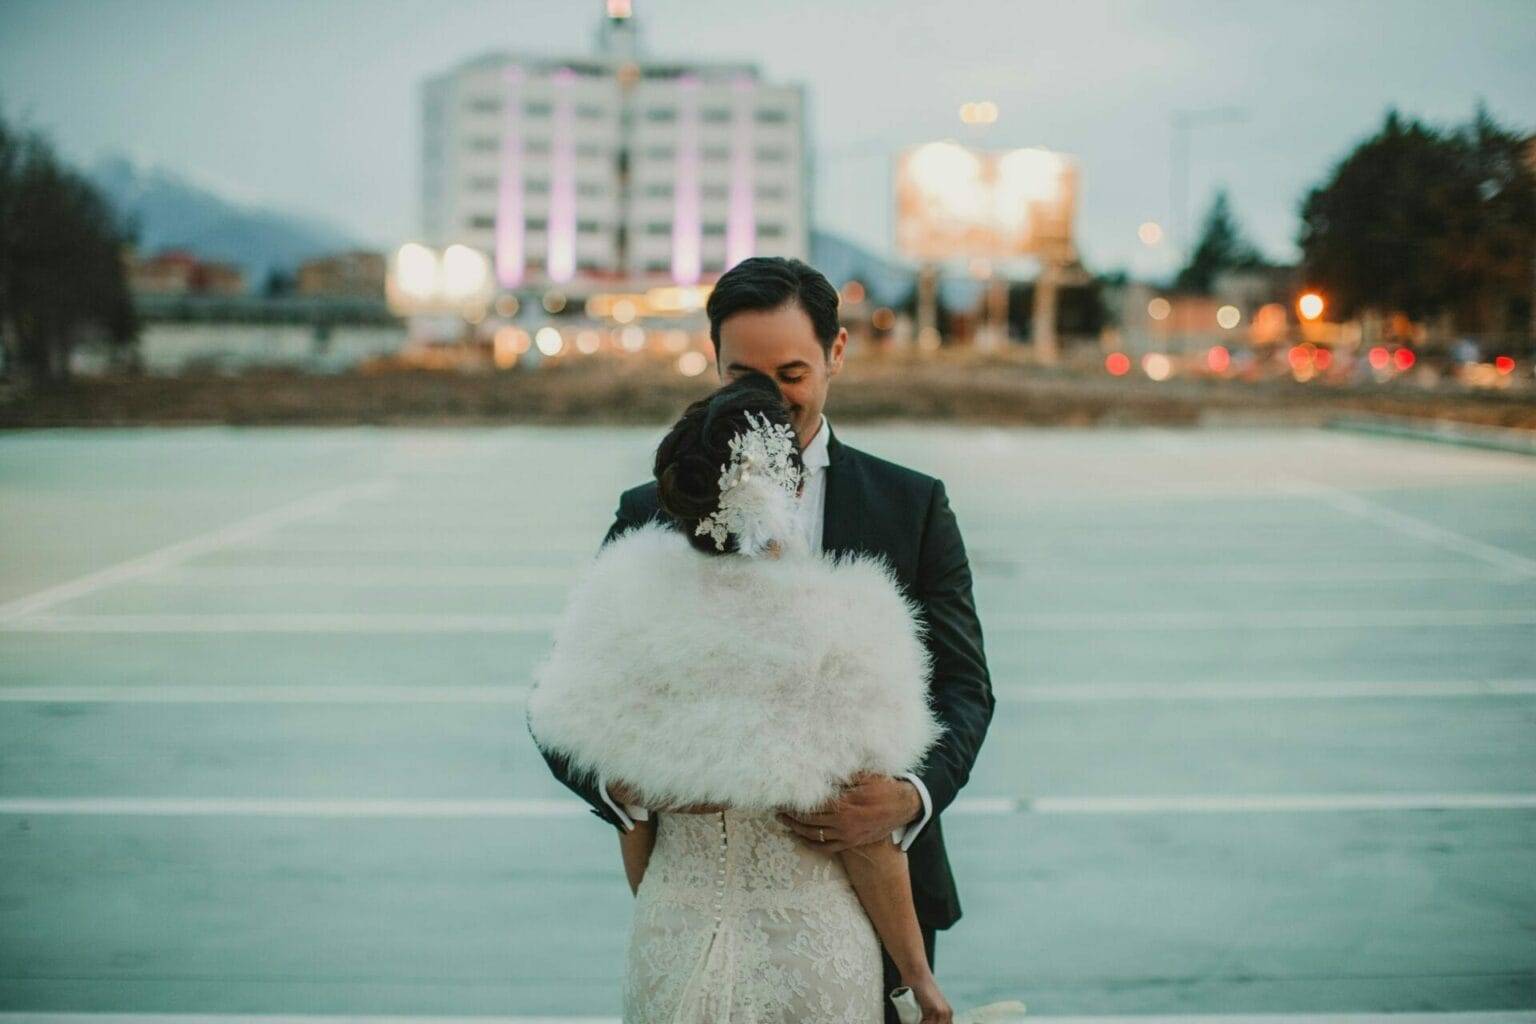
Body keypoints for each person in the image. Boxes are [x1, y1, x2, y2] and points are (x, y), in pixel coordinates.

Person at [532, 256, 996, 1023]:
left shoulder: (909, 505)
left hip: (873, 890)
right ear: (712, 362)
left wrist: (907, 798)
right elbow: (564, 701)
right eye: (743, 375)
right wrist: (627, 789)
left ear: (836, 354)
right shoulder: (649, 509)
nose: (768, 400)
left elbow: (964, 686)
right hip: (694, 898)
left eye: (791, 374)